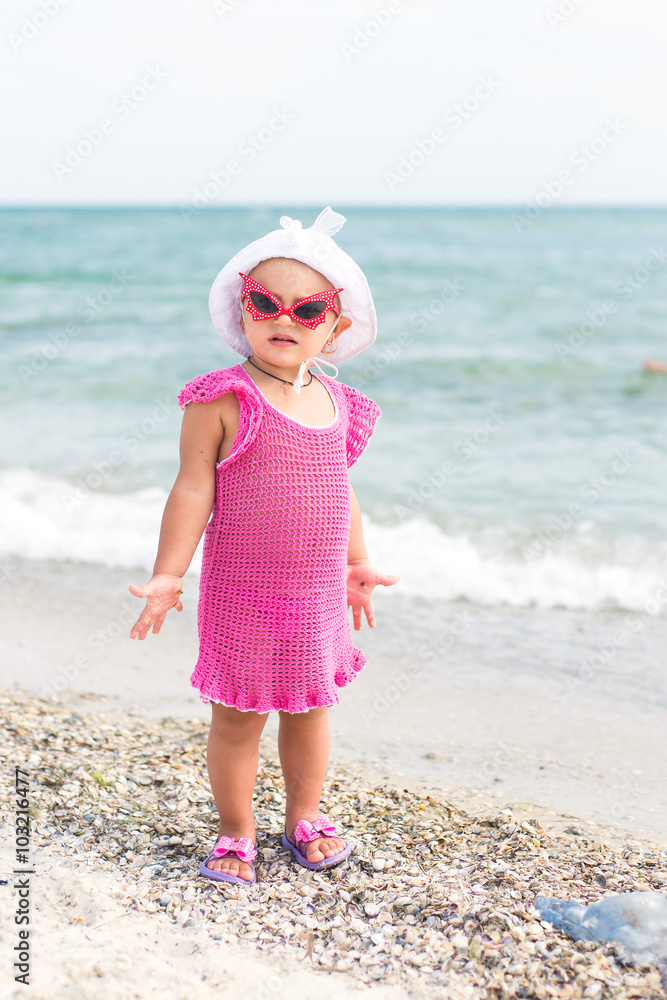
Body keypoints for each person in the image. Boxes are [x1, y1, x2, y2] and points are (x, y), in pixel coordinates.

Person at [128, 208, 398, 885]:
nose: (284, 319)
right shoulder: (223, 399)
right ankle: (235, 830)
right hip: (242, 594)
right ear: (239, 309)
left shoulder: (339, 405)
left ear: (335, 327)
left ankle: (303, 815)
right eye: (265, 303)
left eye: (307, 309)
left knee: (310, 708)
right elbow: (192, 492)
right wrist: (168, 575)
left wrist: (356, 561)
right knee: (239, 716)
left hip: (313, 598)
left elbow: (341, 494)